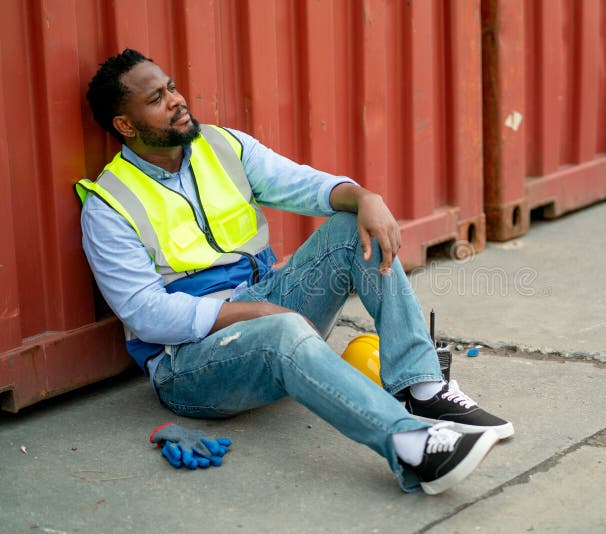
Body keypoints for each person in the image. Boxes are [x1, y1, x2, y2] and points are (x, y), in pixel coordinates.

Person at [75, 49, 513, 495]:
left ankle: (422, 387)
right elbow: (146, 314)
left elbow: (305, 184)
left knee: (350, 228)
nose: (176, 100)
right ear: (125, 126)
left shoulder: (222, 146)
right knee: (281, 329)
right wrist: (257, 312)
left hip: (266, 304)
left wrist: (364, 197)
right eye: (156, 98)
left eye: (171, 86)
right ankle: (411, 444)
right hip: (189, 364)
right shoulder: (108, 206)